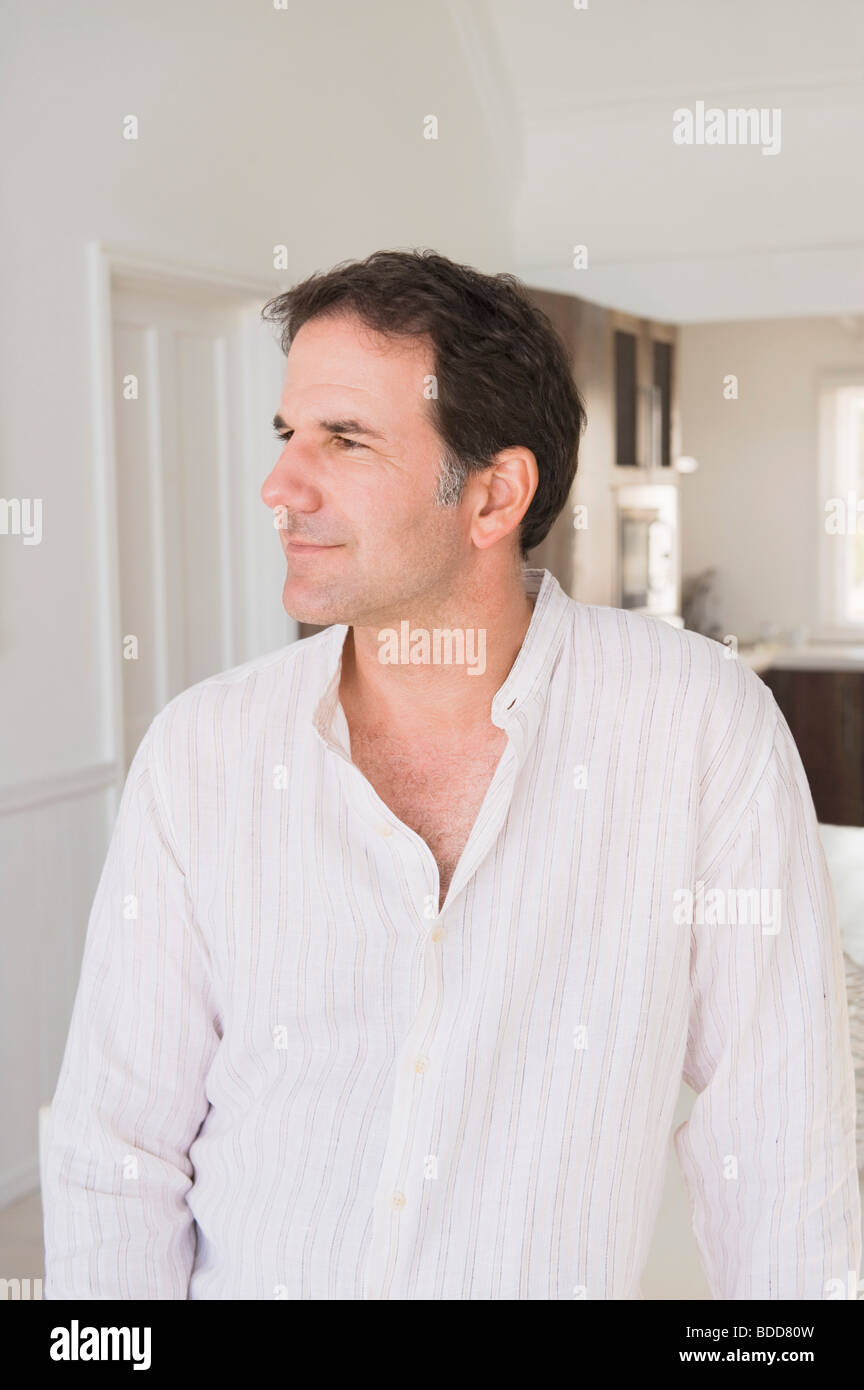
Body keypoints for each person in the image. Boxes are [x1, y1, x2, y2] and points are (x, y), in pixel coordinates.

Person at [43, 249, 861, 1299]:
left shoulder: (699, 728)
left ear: (493, 496)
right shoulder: (202, 752)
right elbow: (116, 1151)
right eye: (289, 434)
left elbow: (781, 1143)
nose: (280, 485)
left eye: (344, 439)